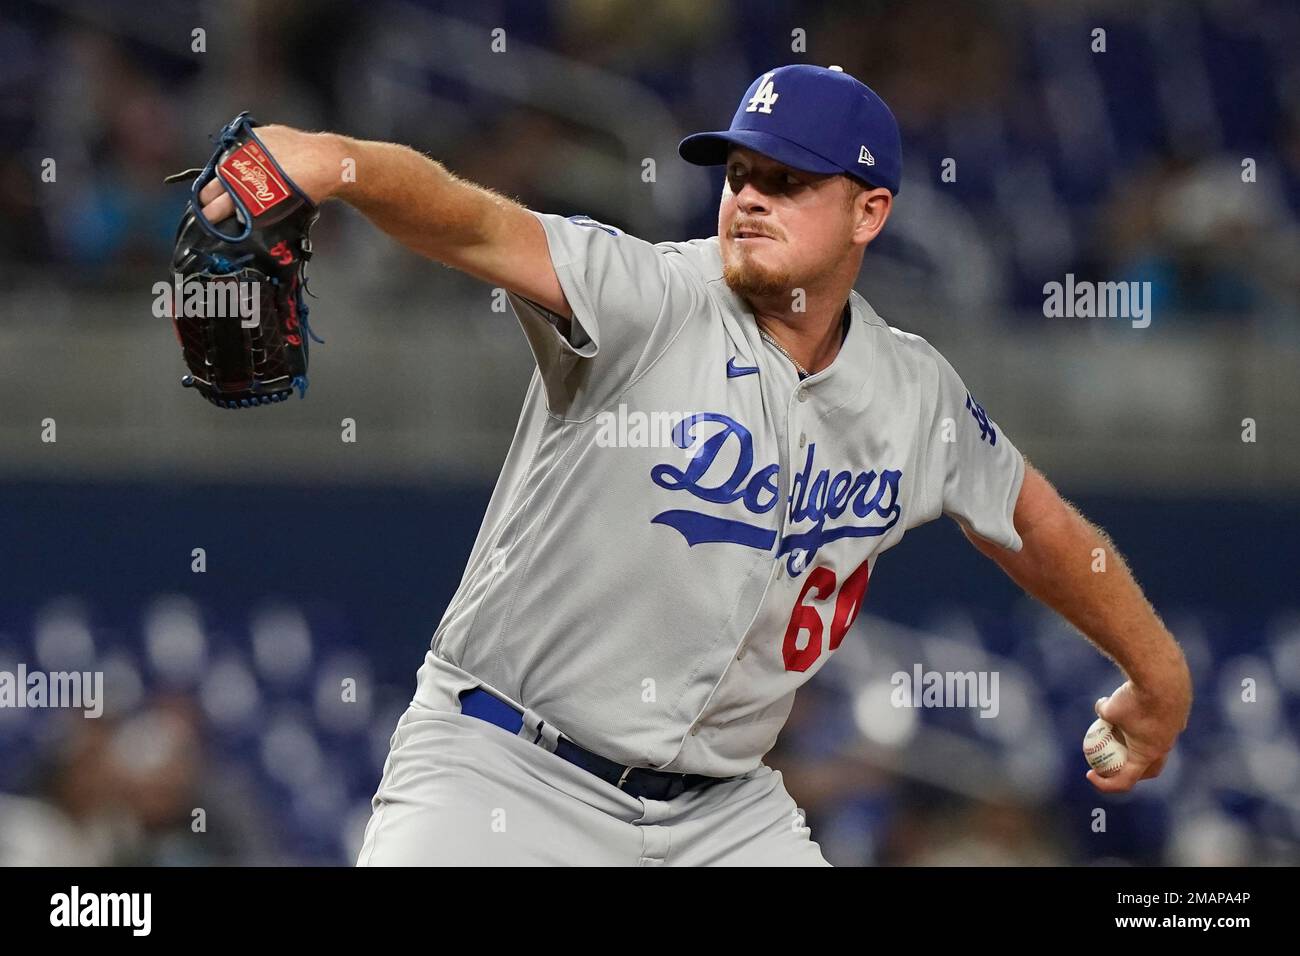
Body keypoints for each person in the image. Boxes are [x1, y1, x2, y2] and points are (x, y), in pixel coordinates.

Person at [197, 64, 1192, 866]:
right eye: (739, 174)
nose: (750, 198)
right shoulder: (649, 295)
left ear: (869, 213)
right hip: (503, 769)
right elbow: (473, 222)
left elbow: (1037, 527)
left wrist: (1157, 675)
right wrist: (335, 161)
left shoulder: (911, 391)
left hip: (722, 815)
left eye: (788, 180)